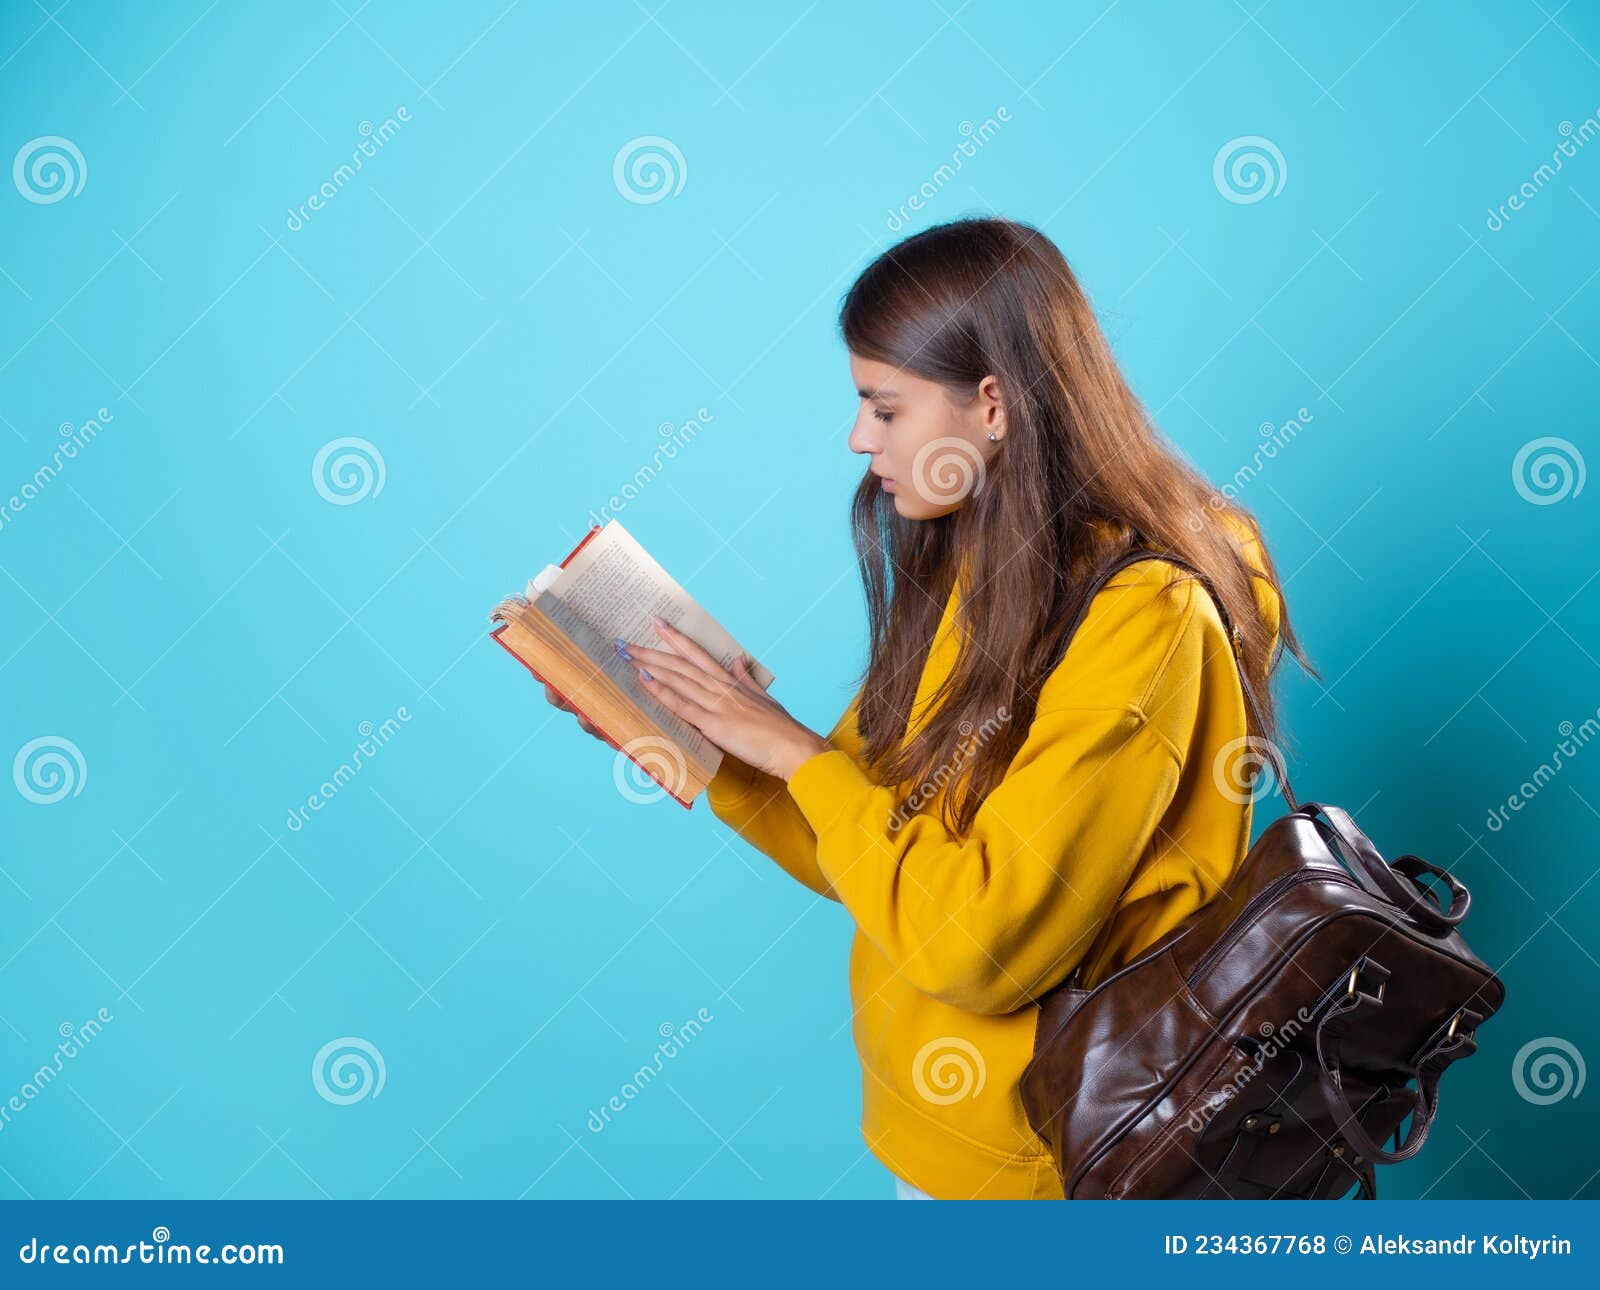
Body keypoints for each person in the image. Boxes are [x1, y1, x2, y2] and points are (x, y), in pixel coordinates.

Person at [544, 216, 1313, 1200]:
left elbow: (978, 945)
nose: (859, 438)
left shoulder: (1144, 614)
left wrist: (792, 753)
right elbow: (875, 856)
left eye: (884, 407)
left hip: (1046, 1175)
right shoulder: (981, 561)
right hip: (938, 1150)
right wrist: (701, 736)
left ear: (991, 405)